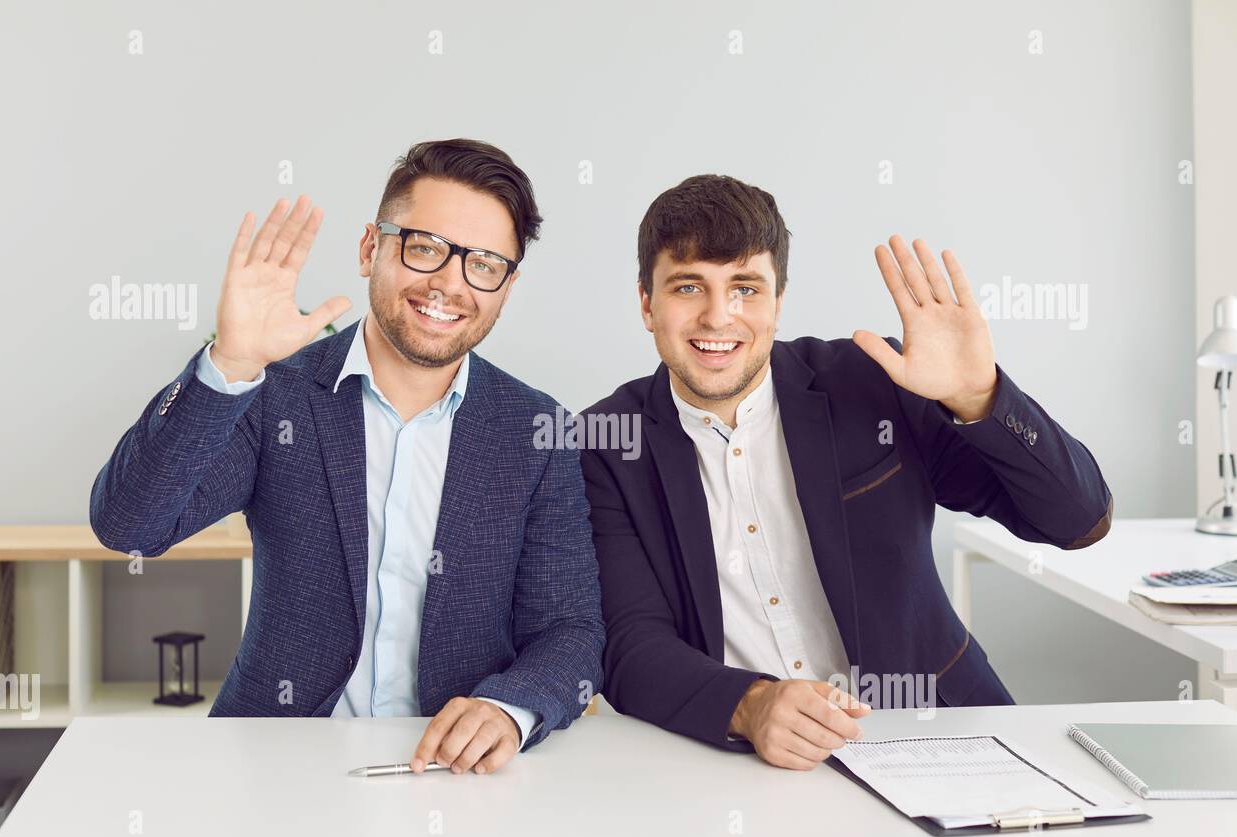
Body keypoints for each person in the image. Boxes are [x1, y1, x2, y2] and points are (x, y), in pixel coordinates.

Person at [91, 139, 605, 776]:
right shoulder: (275, 393)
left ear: (507, 285)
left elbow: (571, 632)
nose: (450, 283)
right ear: (372, 248)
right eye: (425, 247)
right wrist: (230, 365)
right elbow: (129, 526)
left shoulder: (537, 431)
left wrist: (508, 710)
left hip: (452, 772)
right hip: (278, 763)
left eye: (485, 264)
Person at [579, 173, 1112, 770]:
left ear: (779, 302)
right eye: (687, 287)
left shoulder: (871, 382)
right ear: (647, 304)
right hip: (741, 766)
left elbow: (1079, 520)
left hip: (940, 735)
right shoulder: (605, 445)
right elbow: (631, 645)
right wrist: (750, 705)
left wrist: (980, 397)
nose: (717, 316)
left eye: (746, 288)